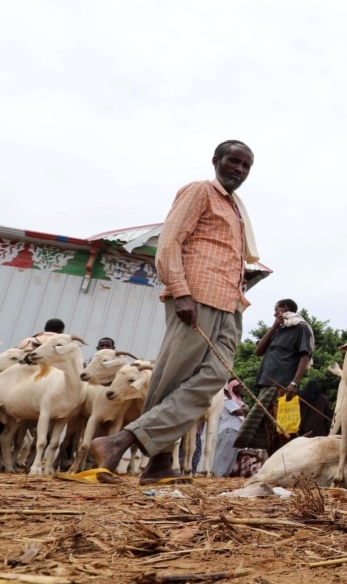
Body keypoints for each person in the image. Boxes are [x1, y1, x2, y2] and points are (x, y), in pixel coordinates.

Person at [89, 140, 257, 485]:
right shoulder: (199, 192)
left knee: (214, 378)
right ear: (216, 161)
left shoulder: (236, 209)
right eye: (233, 161)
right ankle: (156, 462)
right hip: (197, 295)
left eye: (245, 166)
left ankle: (124, 441)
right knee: (171, 379)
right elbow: (169, 243)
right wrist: (181, 292)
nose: (239, 170)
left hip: (229, 302)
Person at [234, 298, 313, 453]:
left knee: (283, 428)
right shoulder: (278, 330)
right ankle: (273, 465)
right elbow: (258, 351)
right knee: (269, 429)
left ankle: (289, 464)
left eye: (276, 309)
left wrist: (294, 383)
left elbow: (305, 356)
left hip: (283, 386)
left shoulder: (301, 328)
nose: (274, 313)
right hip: (266, 384)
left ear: (285, 309)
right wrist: (273, 327)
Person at [213, 379, 247, 477]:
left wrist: (243, 409)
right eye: (239, 386)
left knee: (231, 455)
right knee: (224, 453)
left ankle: (225, 475)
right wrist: (243, 409)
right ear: (233, 387)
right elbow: (238, 412)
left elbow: (246, 409)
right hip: (229, 429)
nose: (241, 388)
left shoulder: (238, 400)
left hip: (236, 429)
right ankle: (219, 474)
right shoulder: (227, 399)